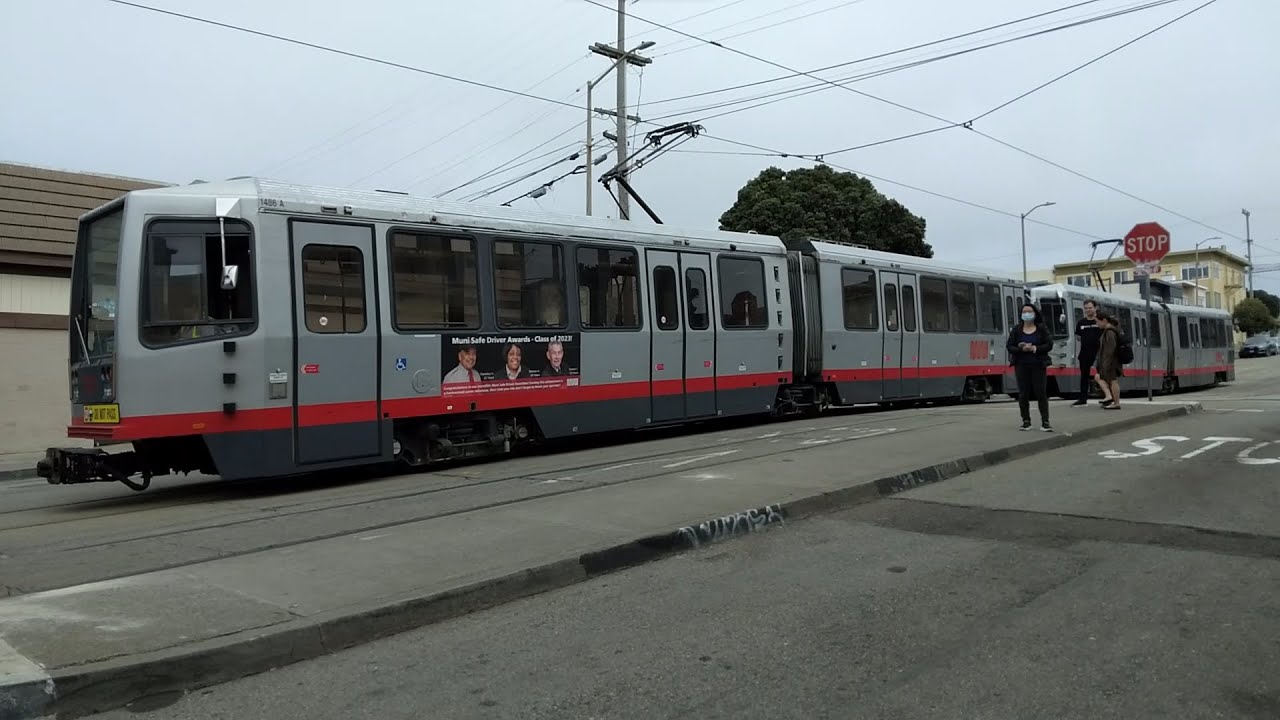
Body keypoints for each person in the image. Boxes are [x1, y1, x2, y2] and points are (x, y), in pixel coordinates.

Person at [1006, 302, 1054, 432]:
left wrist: (1035, 348)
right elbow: (1009, 346)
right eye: (1024, 312)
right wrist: (1021, 348)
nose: (1027, 314)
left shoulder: (1041, 328)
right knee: (1023, 393)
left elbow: (1049, 344)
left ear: (1034, 313)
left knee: (1041, 393)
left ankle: (1045, 421)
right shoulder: (1017, 329)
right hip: (1021, 365)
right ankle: (1026, 421)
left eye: (1029, 311)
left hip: (1038, 364)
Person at [1072, 299, 1101, 406]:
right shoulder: (1081, 323)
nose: (1088, 310)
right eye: (1086, 308)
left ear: (1095, 308)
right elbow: (1078, 337)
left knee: (1102, 374)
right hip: (1084, 353)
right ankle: (1083, 398)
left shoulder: (1099, 321)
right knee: (1084, 376)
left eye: (1090, 307)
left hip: (1099, 353)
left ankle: (1108, 396)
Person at [1095, 313, 1123, 410]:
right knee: (1110, 380)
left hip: (1111, 361)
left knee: (1113, 381)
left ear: (1104, 320)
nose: (1097, 324)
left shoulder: (1109, 332)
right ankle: (1113, 400)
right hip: (1111, 361)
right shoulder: (1109, 331)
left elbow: (1110, 349)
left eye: (1098, 322)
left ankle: (1116, 403)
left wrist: (1106, 363)